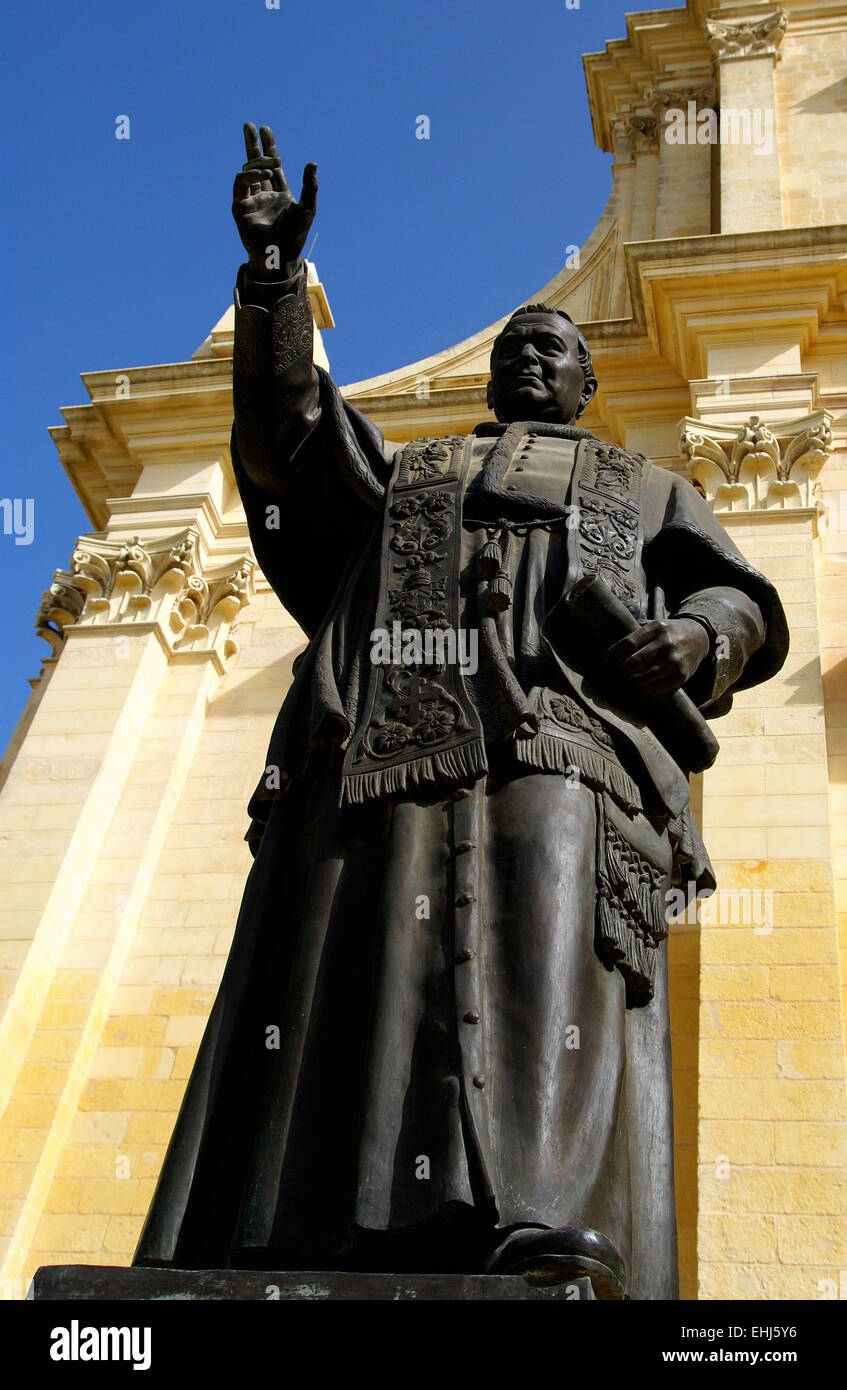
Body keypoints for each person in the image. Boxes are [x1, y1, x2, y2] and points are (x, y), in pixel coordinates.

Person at [133, 124, 788, 1299]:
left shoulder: (647, 486)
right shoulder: (414, 473)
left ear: (588, 388)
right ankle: (330, 1222)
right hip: (393, 740)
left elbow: (734, 595)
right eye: (519, 344)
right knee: (366, 957)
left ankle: (541, 1220)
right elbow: (289, 447)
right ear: (490, 379)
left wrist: (693, 637)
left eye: (556, 346)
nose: (534, 353)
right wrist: (274, 284)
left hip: (565, 744)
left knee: (548, 958)